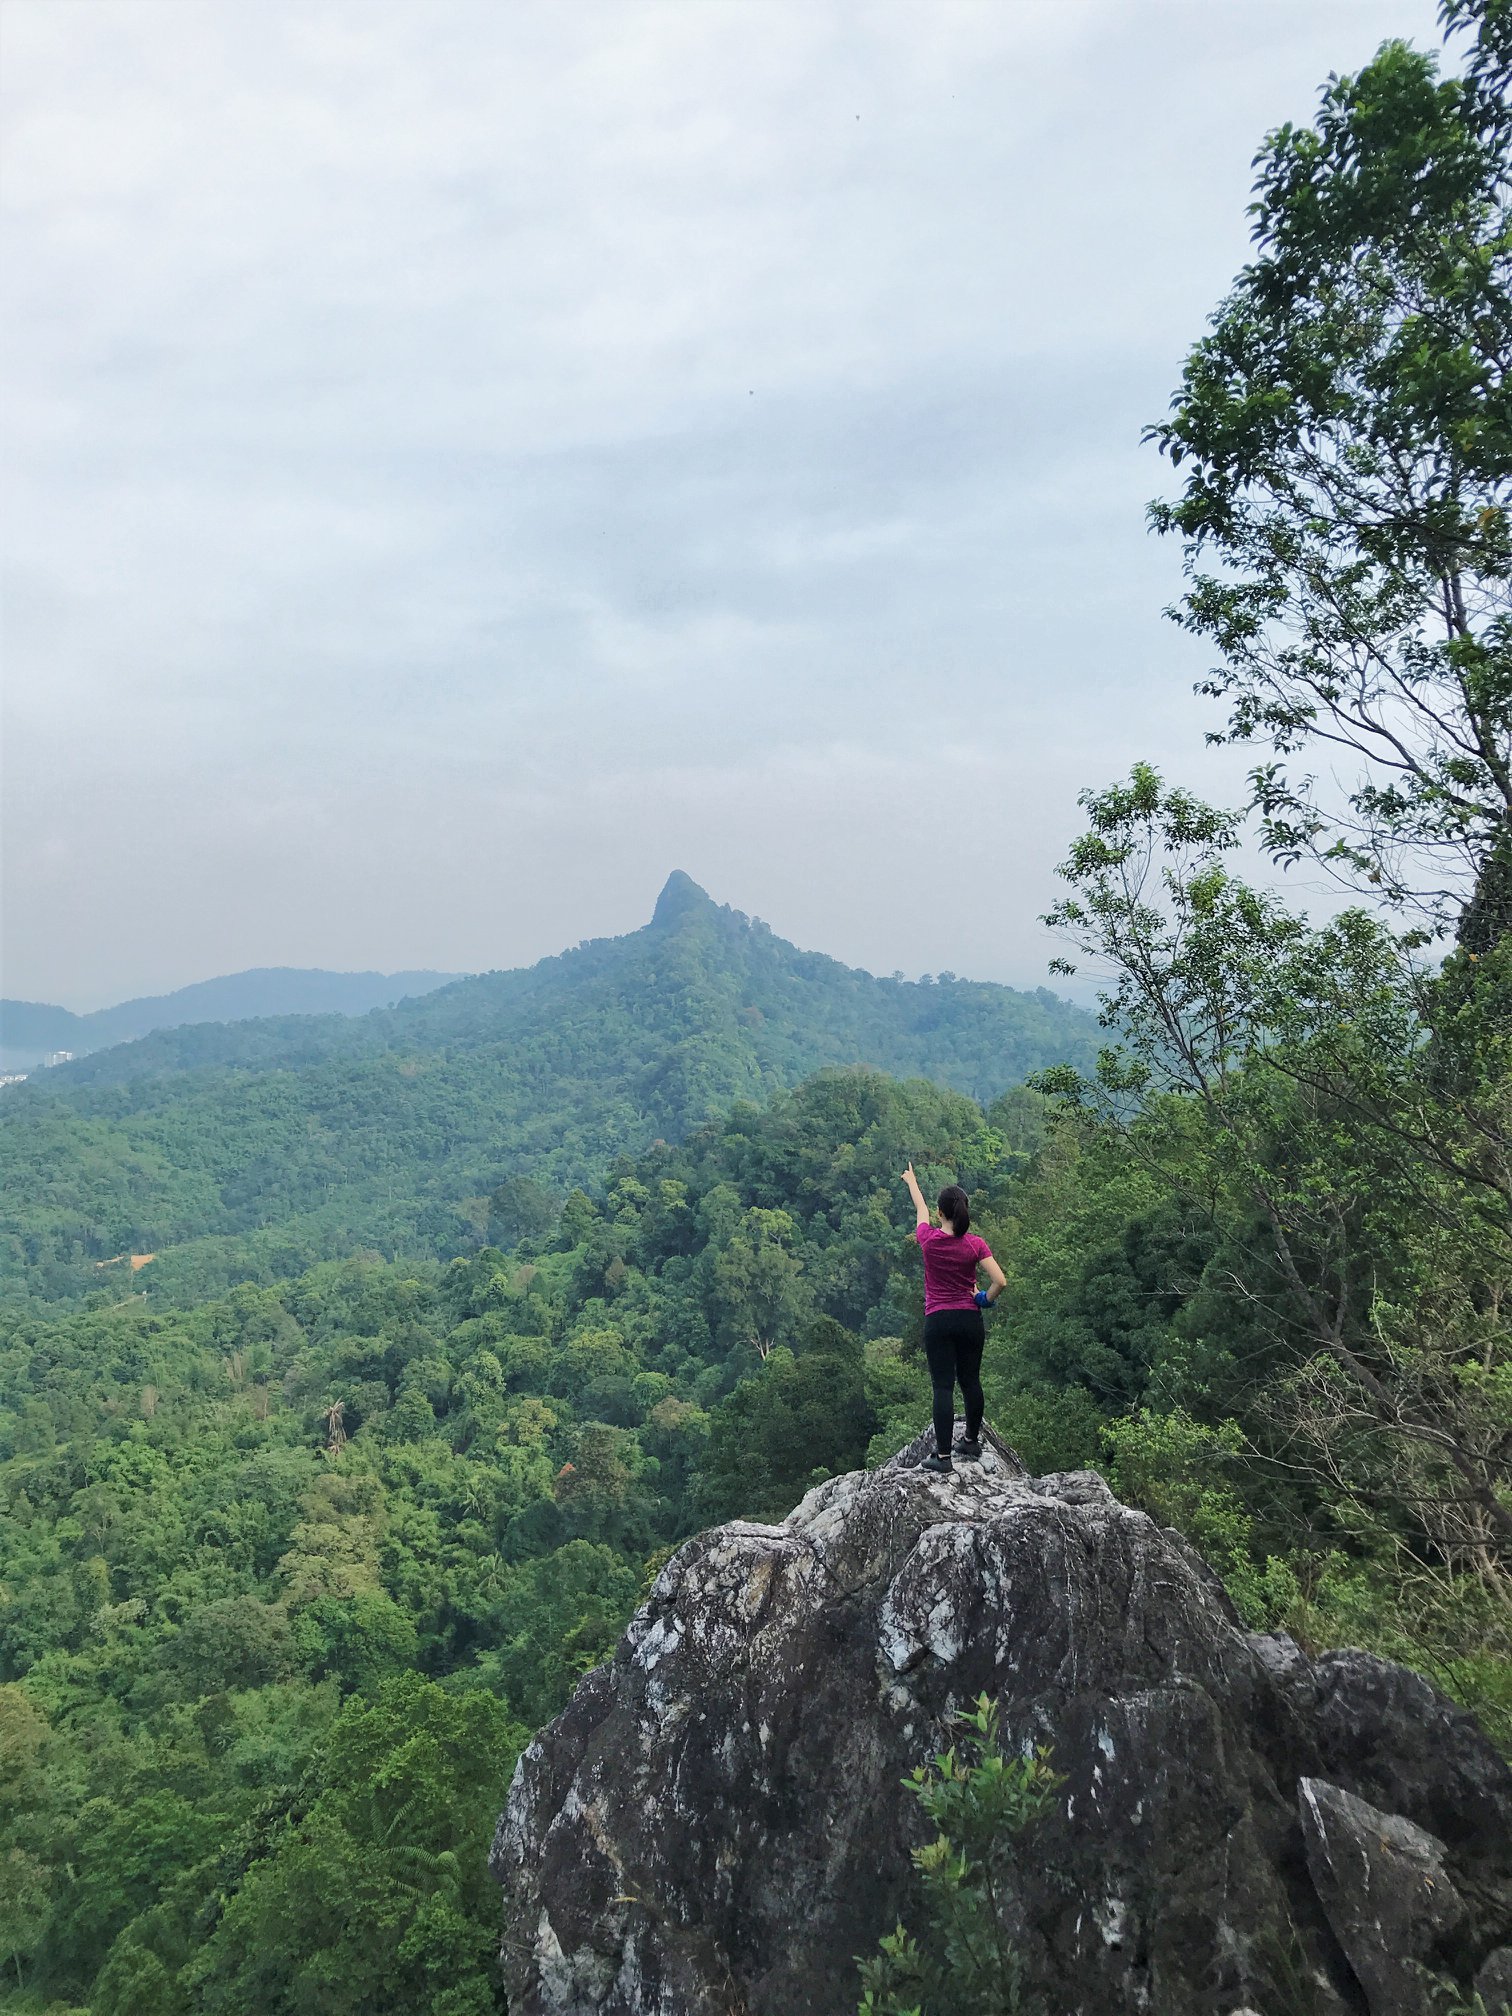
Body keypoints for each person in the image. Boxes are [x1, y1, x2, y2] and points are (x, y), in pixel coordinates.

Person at [900, 1163, 1006, 1474]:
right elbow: (1000, 1280)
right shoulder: (975, 1244)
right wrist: (983, 1299)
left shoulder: (929, 1240)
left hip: (939, 1321)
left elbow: (919, 1208)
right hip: (969, 1319)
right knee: (971, 1381)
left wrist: (912, 1181)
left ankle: (943, 1458)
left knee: (943, 1387)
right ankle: (971, 1441)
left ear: (940, 1213)